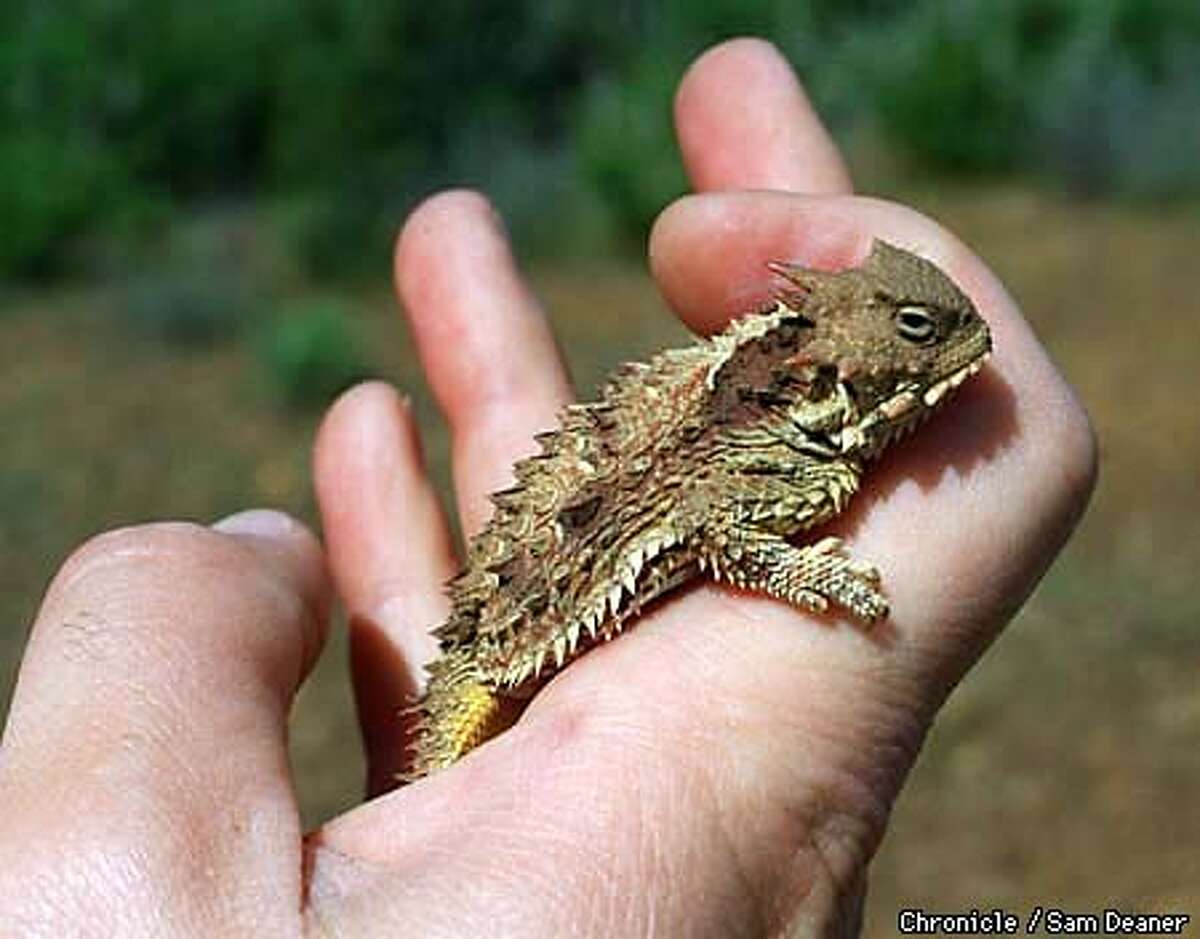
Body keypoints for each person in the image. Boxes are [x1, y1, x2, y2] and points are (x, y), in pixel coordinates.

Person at [0, 39, 1095, 936]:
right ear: (846, 363)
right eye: (916, 328)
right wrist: (811, 577)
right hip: (509, 640)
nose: (959, 348)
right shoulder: (774, 461)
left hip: (528, 618)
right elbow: (714, 526)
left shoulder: (801, 420)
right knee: (436, 790)